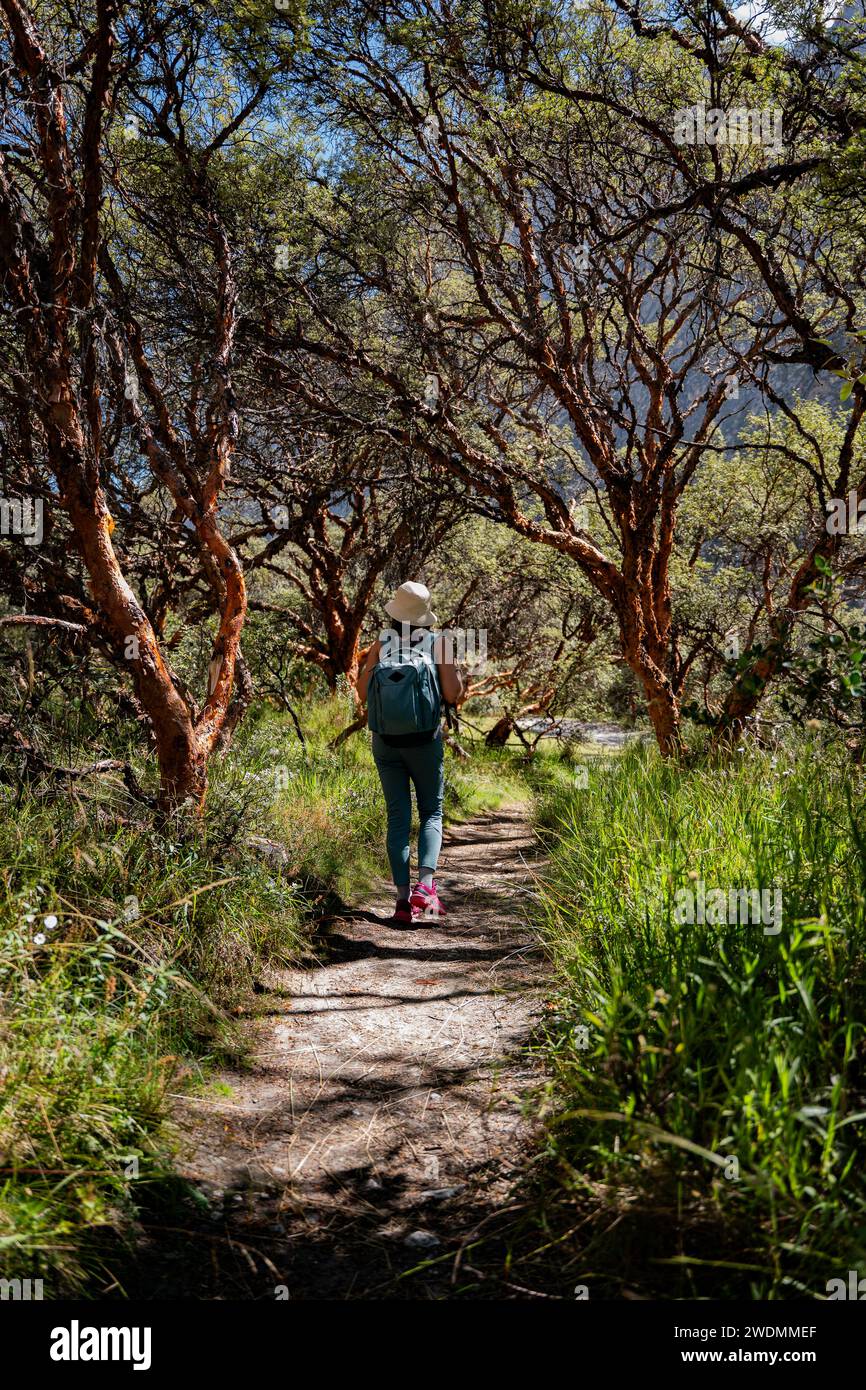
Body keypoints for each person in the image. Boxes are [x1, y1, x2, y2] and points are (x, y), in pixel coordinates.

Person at [357, 581, 464, 924]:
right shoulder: (439, 643)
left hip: (385, 741)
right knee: (431, 811)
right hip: (424, 741)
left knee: (397, 817)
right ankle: (426, 888)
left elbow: (361, 692)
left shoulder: (380, 645)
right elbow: (452, 694)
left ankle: (402, 903)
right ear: (425, 615)